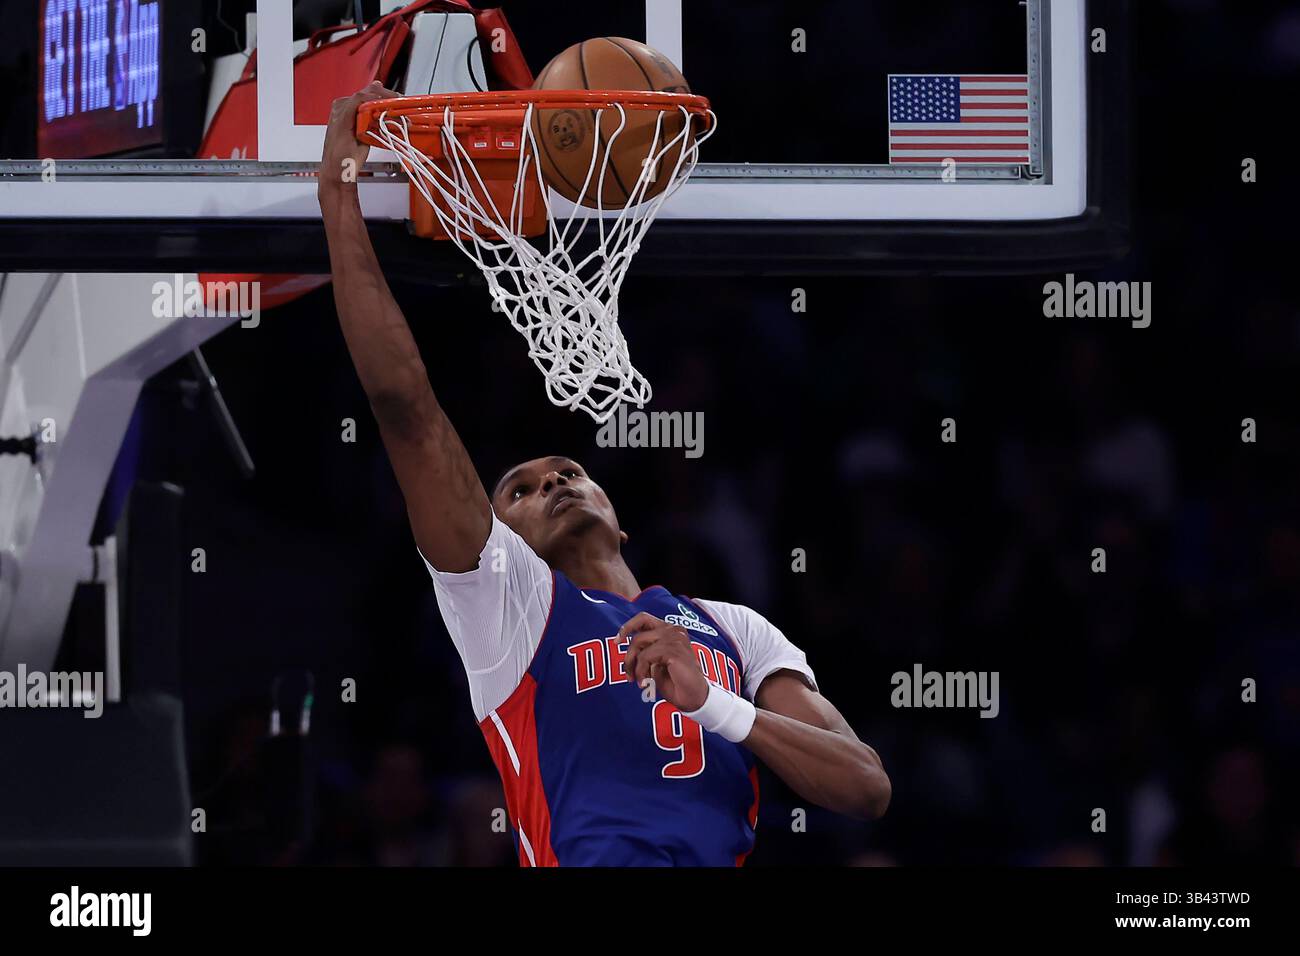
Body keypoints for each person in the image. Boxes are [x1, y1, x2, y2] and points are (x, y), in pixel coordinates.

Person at [318, 83, 891, 866]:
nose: (551, 483)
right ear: (502, 539)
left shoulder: (734, 630)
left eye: (569, 470)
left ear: (619, 518)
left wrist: (716, 704)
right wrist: (338, 197)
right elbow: (405, 407)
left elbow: (866, 787)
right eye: (518, 489)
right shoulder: (509, 605)